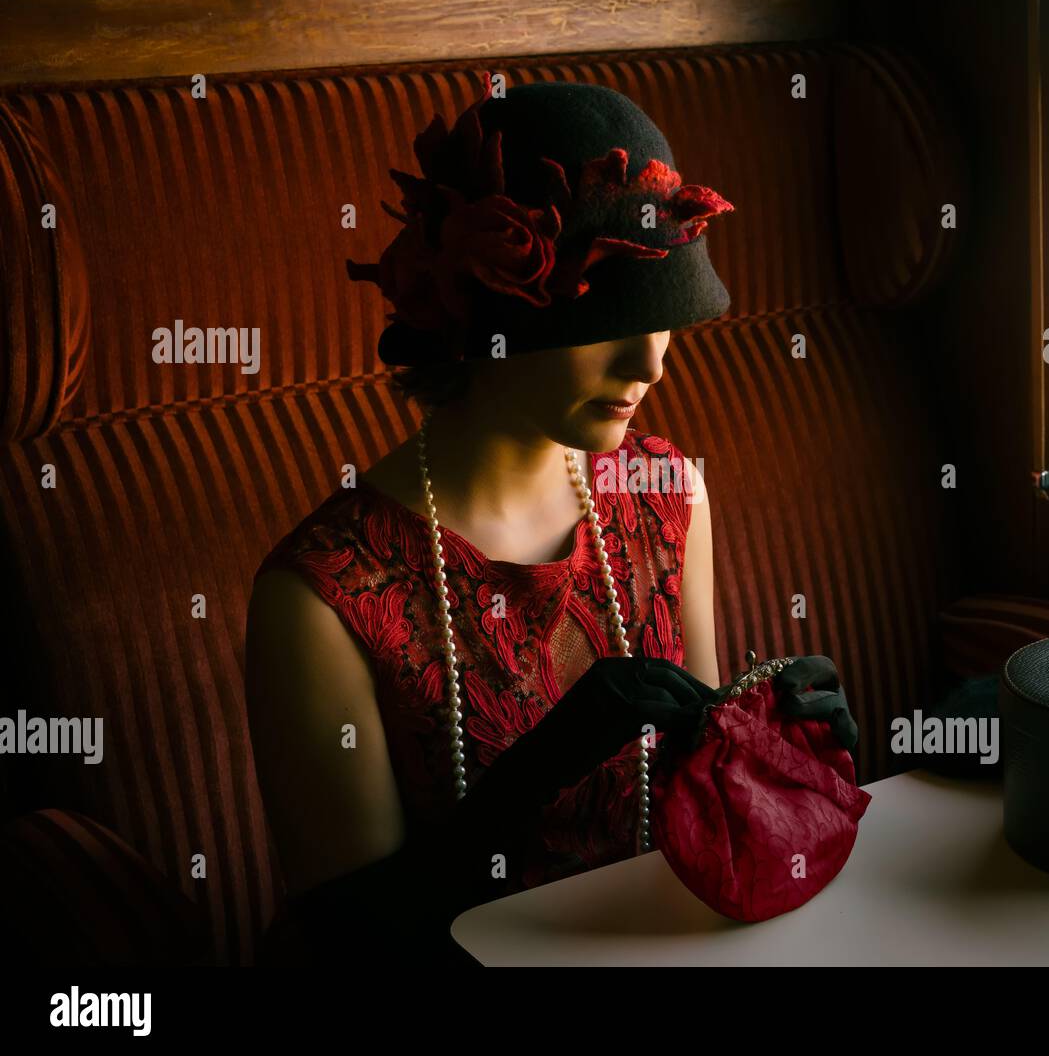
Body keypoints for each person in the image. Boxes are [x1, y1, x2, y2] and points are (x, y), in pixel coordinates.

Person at [243, 74, 853, 966]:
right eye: (610, 317)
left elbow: (703, 800)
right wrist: (526, 780)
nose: (650, 360)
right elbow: (345, 945)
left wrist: (785, 744)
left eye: (666, 318)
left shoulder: (668, 494)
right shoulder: (326, 598)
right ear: (489, 304)